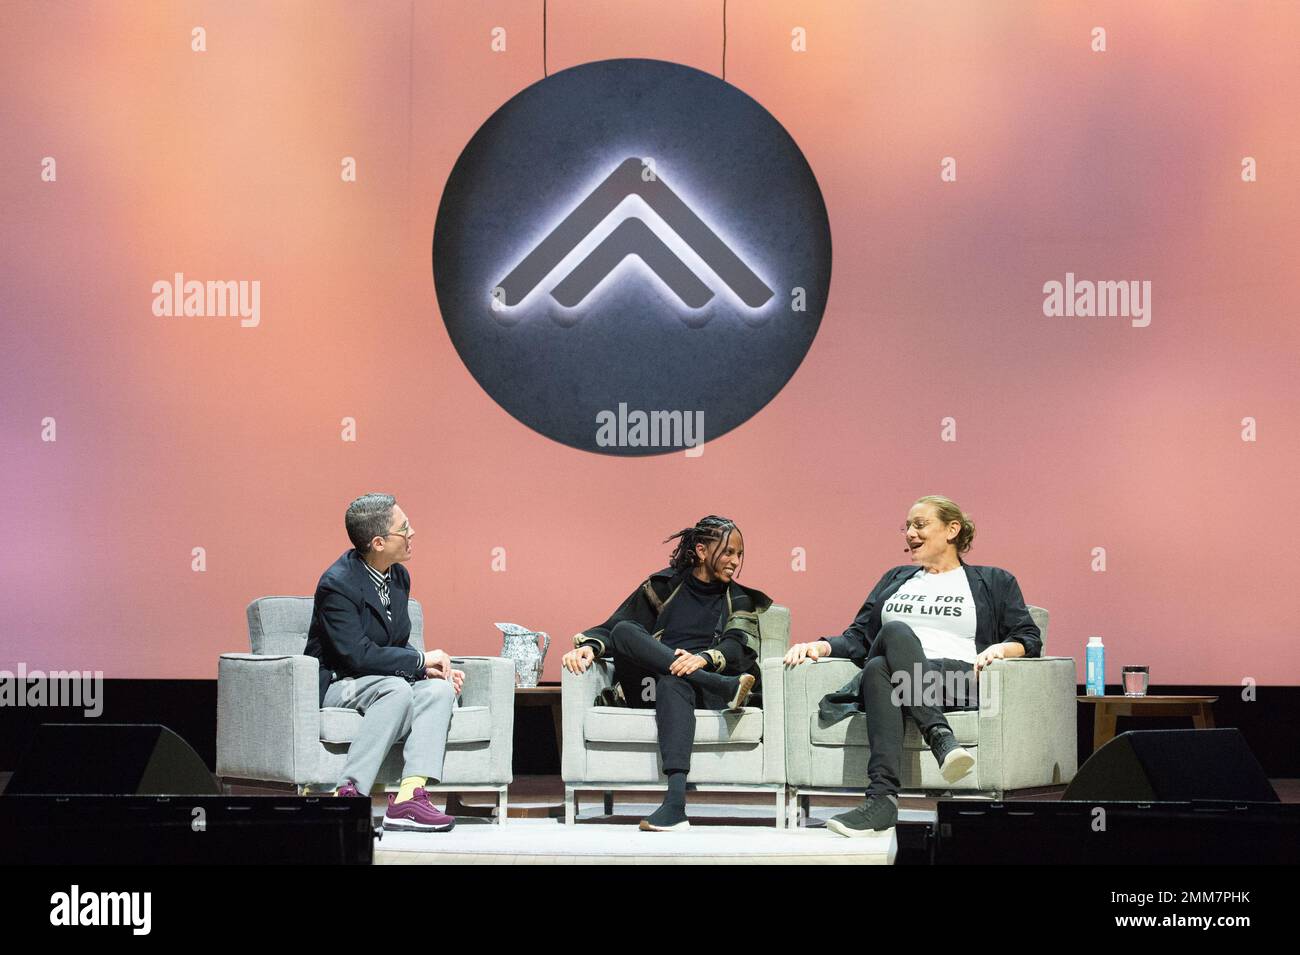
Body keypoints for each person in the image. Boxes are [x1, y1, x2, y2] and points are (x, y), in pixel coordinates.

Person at [784, 495, 1042, 837]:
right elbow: (860, 636)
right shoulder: (897, 578)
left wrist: (1001, 648)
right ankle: (940, 737)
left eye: (920, 525)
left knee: (878, 669)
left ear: (952, 529)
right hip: (906, 678)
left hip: (955, 678)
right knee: (889, 643)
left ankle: (882, 802)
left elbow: (1029, 637)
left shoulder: (993, 580)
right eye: (906, 527)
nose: (909, 533)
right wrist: (820, 645)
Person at [561, 515, 772, 831]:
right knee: (625, 630)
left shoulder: (738, 598)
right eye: (728, 552)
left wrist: (701, 660)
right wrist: (590, 647)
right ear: (702, 550)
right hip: (649, 686)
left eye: (739, 555)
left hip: (697, 694)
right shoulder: (663, 586)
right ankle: (722, 685)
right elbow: (614, 628)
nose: (734, 561)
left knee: (674, 681)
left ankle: (675, 805)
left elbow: (737, 647)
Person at [304, 493, 465, 832]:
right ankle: (349, 792)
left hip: (378, 680)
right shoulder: (337, 584)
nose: (413, 533)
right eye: (404, 528)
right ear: (378, 542)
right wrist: (420, 659)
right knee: (395, 689)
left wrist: (428, 671)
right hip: (339, 682)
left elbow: (392, 643)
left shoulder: (399, 576)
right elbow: (356, 654)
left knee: (437, 691)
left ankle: (409, 798)